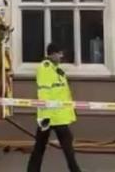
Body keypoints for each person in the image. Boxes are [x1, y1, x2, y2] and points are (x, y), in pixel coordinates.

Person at [26, 42, 84, 172]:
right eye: (59, 53)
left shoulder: (55, 69)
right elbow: (45, 92)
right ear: (52, 54)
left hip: (57, 116)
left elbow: (62, 92)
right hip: (52, 116)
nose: (61, 56)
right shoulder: (46, 68)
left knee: (41, 146)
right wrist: (46, 116)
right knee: (65, 147)